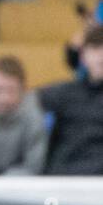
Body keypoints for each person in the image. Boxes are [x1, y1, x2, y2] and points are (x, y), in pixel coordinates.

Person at [39, 29, 103, 175]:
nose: (101, 55)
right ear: (83, 57)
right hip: (66, 178)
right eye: (95, 48)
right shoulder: (61, 93)